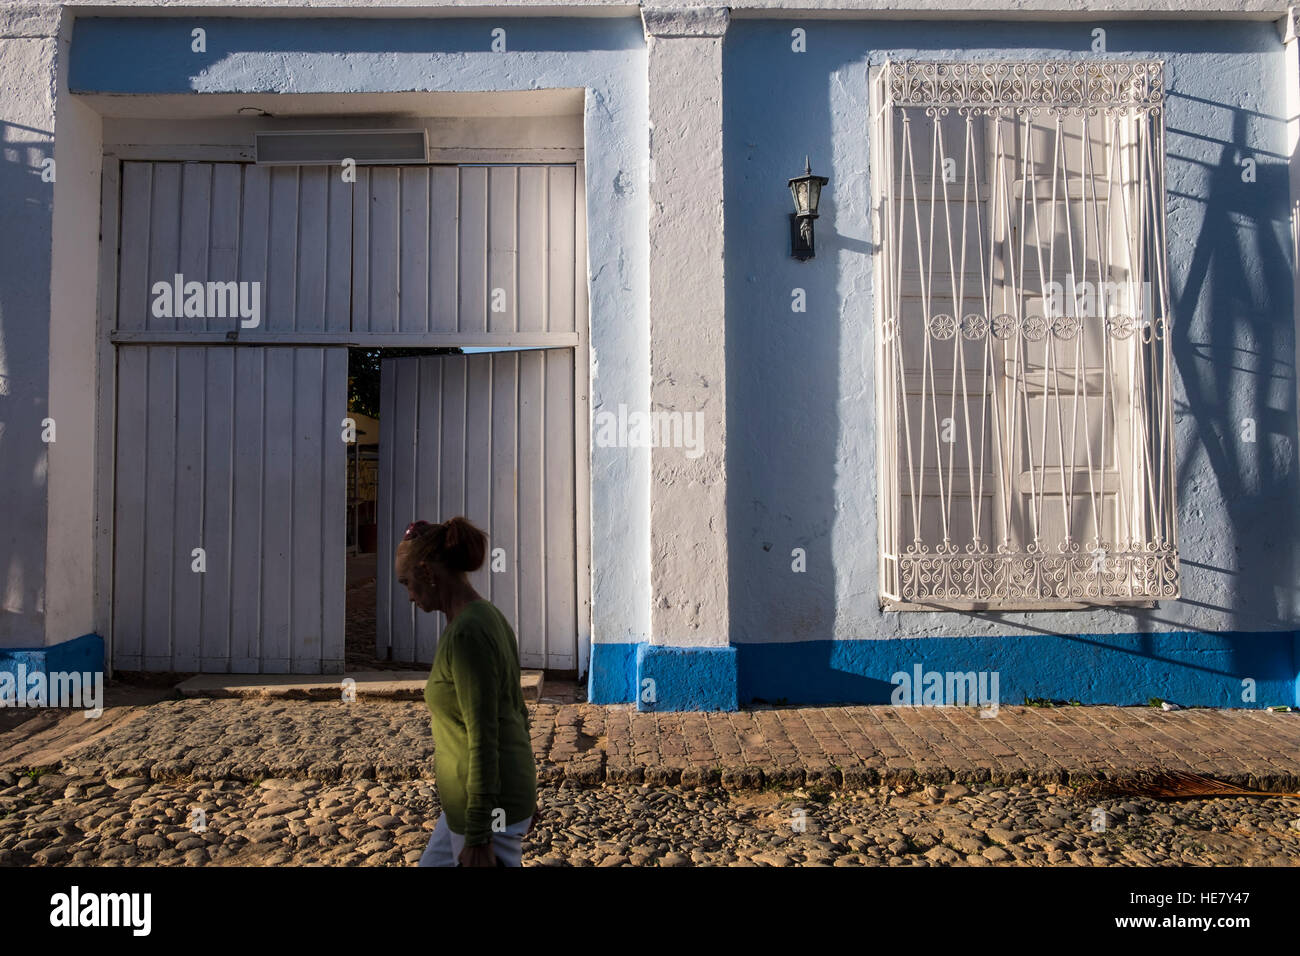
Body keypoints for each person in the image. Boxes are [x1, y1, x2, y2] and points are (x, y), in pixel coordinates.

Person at [395, 517, 538, 867]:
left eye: (407, 583)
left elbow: (484, 735)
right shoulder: (482, 616)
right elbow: (517, 712)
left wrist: (478, 833)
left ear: (427, 572)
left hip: (488, 811)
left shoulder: (468, 635)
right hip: (471, 805)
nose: (410, 596)